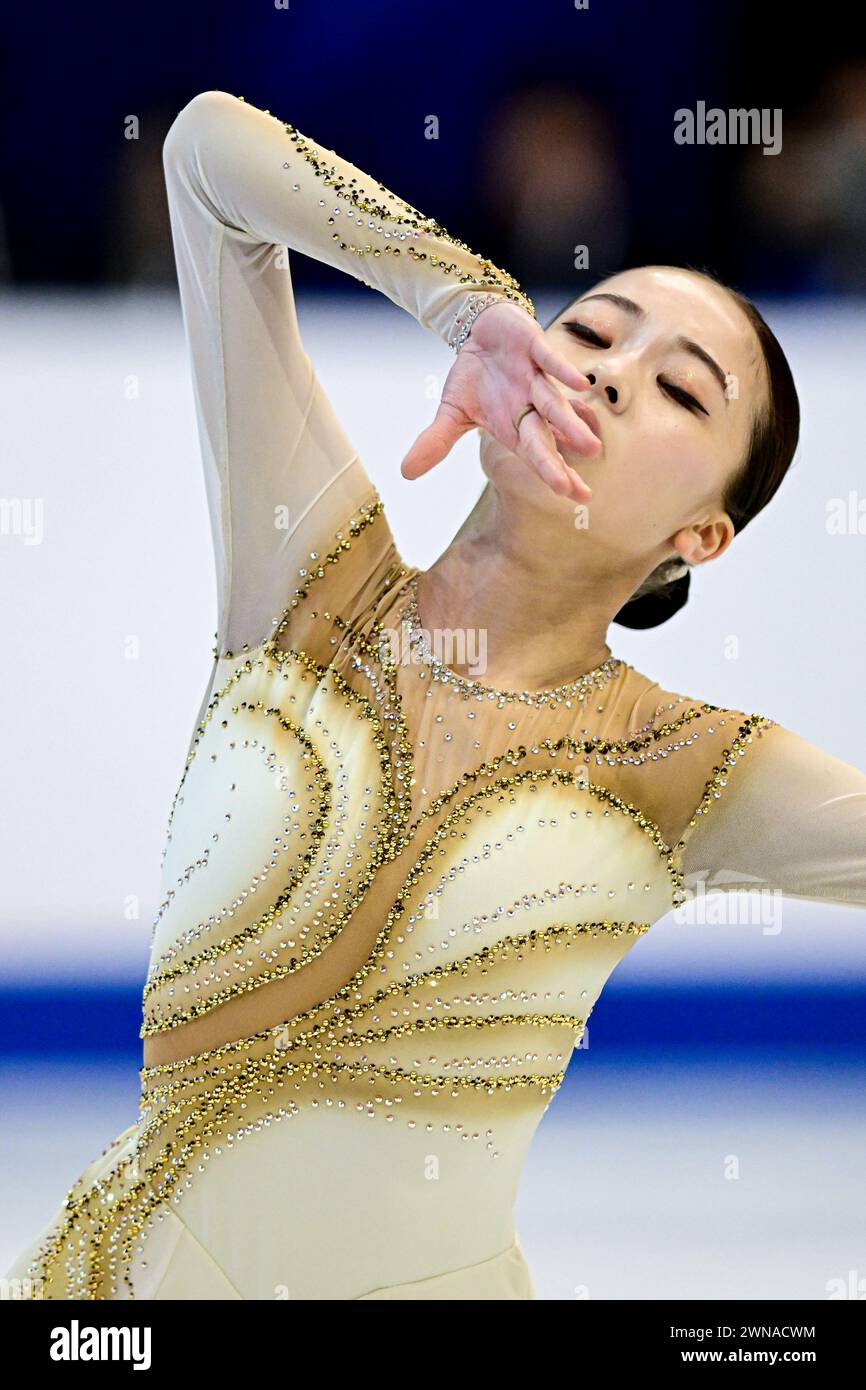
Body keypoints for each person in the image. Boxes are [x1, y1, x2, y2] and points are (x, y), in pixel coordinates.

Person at [6, 90, 865, 1301]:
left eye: (679, 391)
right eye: (591, 331)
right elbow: (204, 153)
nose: (608, 378)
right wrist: (464, 299)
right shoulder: (308, 585)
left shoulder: (676, 764)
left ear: (699, 536)